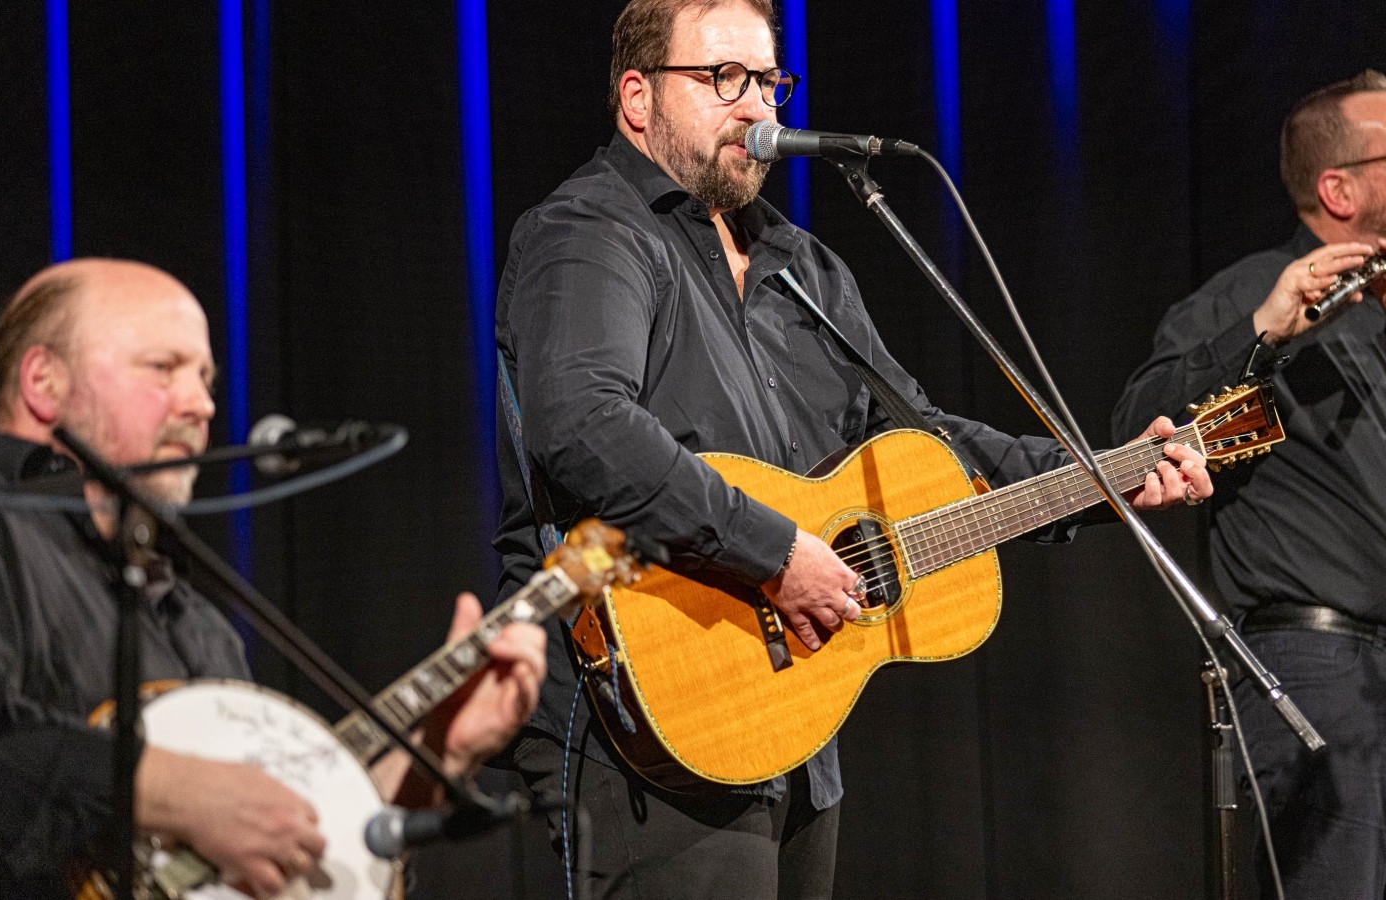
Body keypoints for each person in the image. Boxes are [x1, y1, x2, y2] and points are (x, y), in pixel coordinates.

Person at [491, 1, 1214, 896]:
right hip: (638, 716)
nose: (757, 107)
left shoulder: (804, 268)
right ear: (638, 98)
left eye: (768, 81)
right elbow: (584, 425)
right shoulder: (591, 232)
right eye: (722, 79)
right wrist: (778, 553)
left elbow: (927, 447)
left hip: (789, 722)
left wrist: (1102, 477)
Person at [0, 258, 548, 899]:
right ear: (43, 381)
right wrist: (174, 791)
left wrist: (434, 756)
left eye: (206, 378)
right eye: (164, 368)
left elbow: (254, 863)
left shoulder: (194, 622)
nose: (201, 404)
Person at [1113, 70, 1386, 899]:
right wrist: (1262, 335)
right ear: (1338, 189)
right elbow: (1138, 428)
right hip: (1322, 677)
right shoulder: (1249, 296)